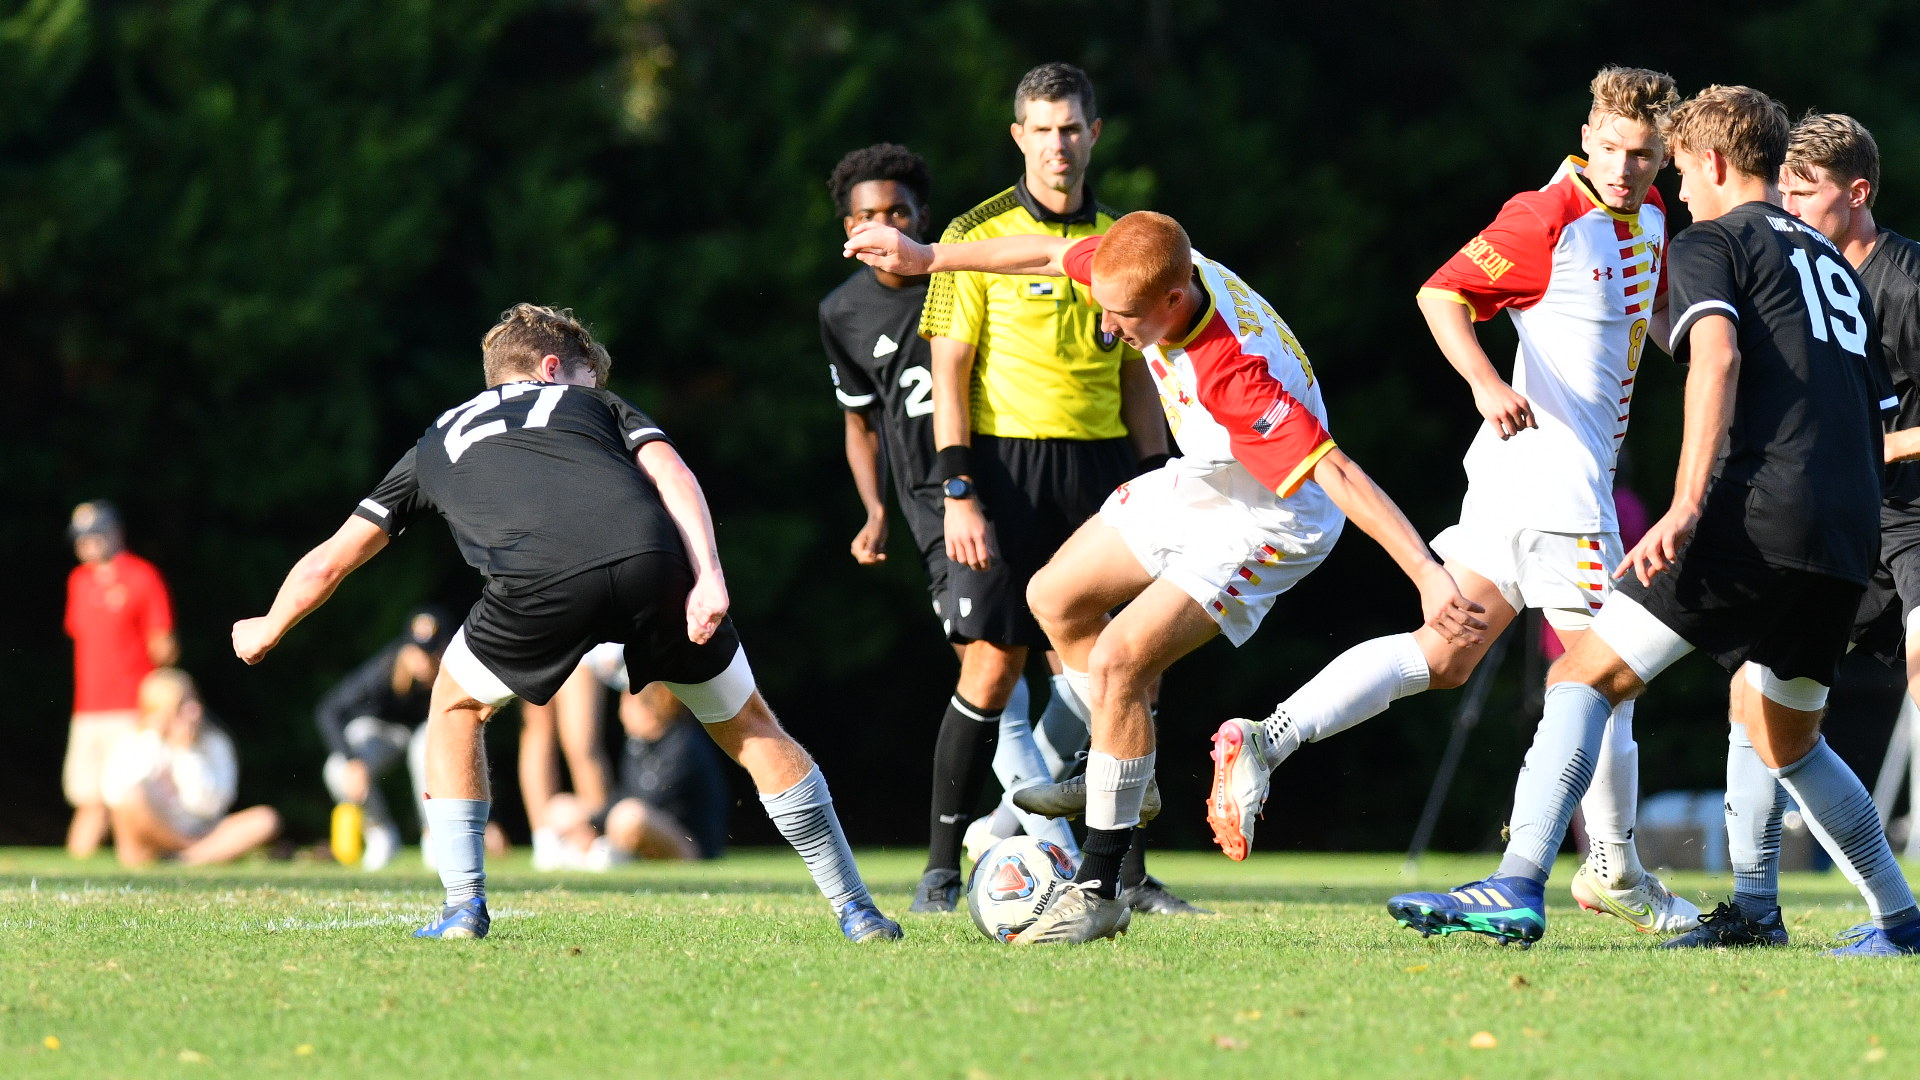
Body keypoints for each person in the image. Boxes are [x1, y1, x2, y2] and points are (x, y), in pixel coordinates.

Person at [846, 210, 1487, 944]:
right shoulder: (1141, 266)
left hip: (1275, 518)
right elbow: (1050, 254)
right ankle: (1121, 767)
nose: (1110, 328)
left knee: (1121, 660)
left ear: (1175, 302)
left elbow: (1337, 472)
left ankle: (1100, 887)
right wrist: (929, 258)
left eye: (1124, 318)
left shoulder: (1233, 371)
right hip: (1212, 477)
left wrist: (1428, 575)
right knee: (1052, 595)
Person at [1384, 85, 1920, 956]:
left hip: (1758, 512)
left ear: (1710, 162)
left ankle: (1517, 884)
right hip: (1845, 531)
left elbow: (1716, 356)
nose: (1675, 193)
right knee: (1790, 741)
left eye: (1678, 171)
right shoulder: (1830, 261)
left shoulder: (1716, 238)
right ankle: (1902, 921)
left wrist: (1683, 503)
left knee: (1580, 679)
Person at [1203, 67, 1700, 934]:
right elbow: (1442, 294)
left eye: (1644, 156)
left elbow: (1646, 317)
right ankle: (1614, 871)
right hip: (1554, 483)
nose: (1624, 170)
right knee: (1605, 678)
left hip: (1520, 482)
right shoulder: (1546, 214)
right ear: (1589, 135)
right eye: (1612, 151)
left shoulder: (1650, 215)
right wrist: (1479, 381)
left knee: (1446, 652)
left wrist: (1700, 350)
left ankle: (1268, 738)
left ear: (1664, 156)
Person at [233, 303, 901, 943]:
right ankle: (857, 910)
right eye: (591, 373)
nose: (596, 386)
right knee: (752, 727)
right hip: (652, 560)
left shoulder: (435, 440)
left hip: (537, 585)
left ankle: (463, 906)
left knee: (456, 705)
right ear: (553, 369)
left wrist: (267, 626)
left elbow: (332, 561)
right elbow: (672, 473)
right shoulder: (593, 405)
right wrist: (710, 576)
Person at [914, 62, 1185, 915]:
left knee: (1134, 666)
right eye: (1042, 128)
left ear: (1093, 134)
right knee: (994, 668)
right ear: (1019, 137)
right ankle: (938, 869)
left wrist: (1159, 478)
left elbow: (1140, 374)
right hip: (1002, 468)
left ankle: (1129, 872)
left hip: (1102, 469)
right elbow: (948, 373)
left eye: (1071, 127)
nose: (1058, 144)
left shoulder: (1122, 237)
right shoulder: (975, 233)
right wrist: (958, 489)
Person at [1668, 111, 1920, 947]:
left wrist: (1870, 447)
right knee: (1757, 700)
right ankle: (1760, 903)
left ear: (1856, 194)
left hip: (1909, 519)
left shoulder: (1906, 282)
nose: (1791, 205)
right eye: (1787, 189)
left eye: (1805, 194)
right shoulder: (1801, 272)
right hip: (1846, 520)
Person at [820, 142, 1075, 866]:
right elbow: (859, 422)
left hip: (1018, 483)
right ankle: (988, 862)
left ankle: (1006, 830)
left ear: (920, 219)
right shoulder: (841, 311)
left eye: (897, 211)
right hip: (939, 506)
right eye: (868, 214)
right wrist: (873, 508)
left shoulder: (965, 272)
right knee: (993, 666)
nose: (884, 222)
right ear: (848, 225)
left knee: (1080, 669)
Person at [63, 499, 178, 858]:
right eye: (80, 538)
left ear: (115, 533)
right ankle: (71, 873)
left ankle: (146, 861)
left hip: (130, 706)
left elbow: (165, 647)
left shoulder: (141, 576)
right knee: (88, 798)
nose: (85, 544)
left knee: (123, 797)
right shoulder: (78, 581)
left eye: (93, 535)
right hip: (87, 709)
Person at [315, 606, 457, 870]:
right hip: (385, 735)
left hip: (427, 738)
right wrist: (352, 760)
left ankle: (434, 836)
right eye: (416, 650)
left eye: (431, 651)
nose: (423, 660)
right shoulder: (385, 666)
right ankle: (380, 833)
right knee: (338, 769)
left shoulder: (455, 676)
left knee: (426, 741)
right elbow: (329, 711)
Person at [101, 668, 281, 866]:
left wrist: (187, 753)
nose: (195, 710)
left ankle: (185, 857)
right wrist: (153, 739)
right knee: (132, 796)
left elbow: (210, 805)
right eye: (182, 705)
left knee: (266, 819)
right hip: (151, 835)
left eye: (194, 700)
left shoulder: (215, 742)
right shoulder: (133, 742)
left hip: (202, 831)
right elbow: (116, 796)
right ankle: (195, 853)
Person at [541, 681, 730, 865]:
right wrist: (584, 821)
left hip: (691, 846)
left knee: (629, 816)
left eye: (628, 707)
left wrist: (593, 822)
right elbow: (625, 793)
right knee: (562, 808)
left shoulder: (683, 744)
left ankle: (606, 855)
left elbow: (651, 801)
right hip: (635, 821)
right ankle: (585, 852)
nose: (622, 715)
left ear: (651, 709)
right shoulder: (637, 745)